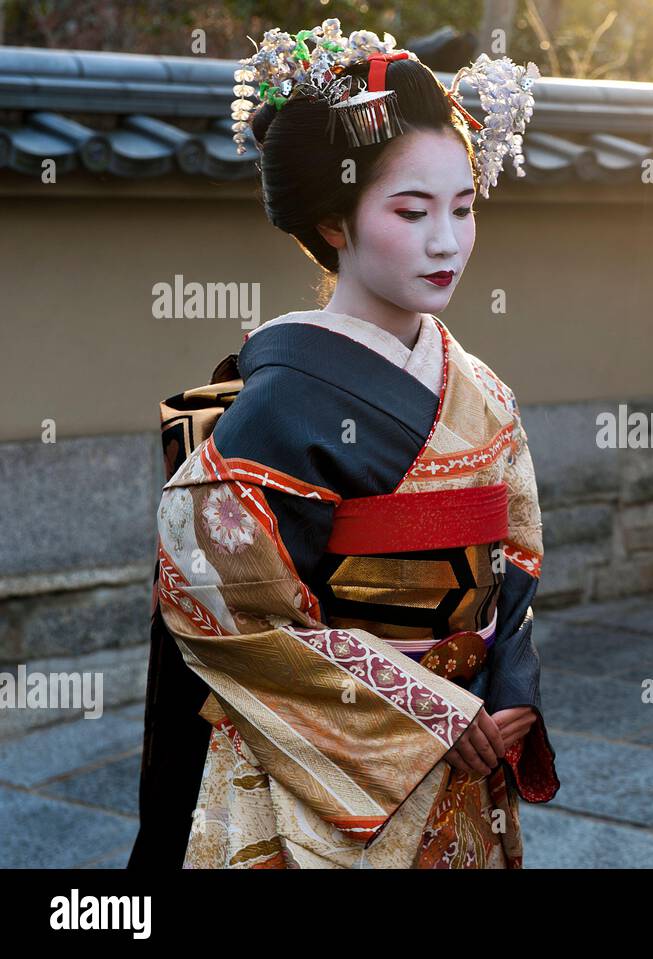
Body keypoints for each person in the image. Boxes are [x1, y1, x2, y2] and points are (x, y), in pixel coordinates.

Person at [128, 20, 557, 869]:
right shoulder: (281, 404)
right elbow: (230, 616)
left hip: (467, 757)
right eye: (411, 209)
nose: (447, 240)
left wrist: (511, 692)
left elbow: (514, 558)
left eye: (463, 207)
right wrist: (428, 709)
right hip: (323, 784)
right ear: (332, 220)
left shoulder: (482, 390)